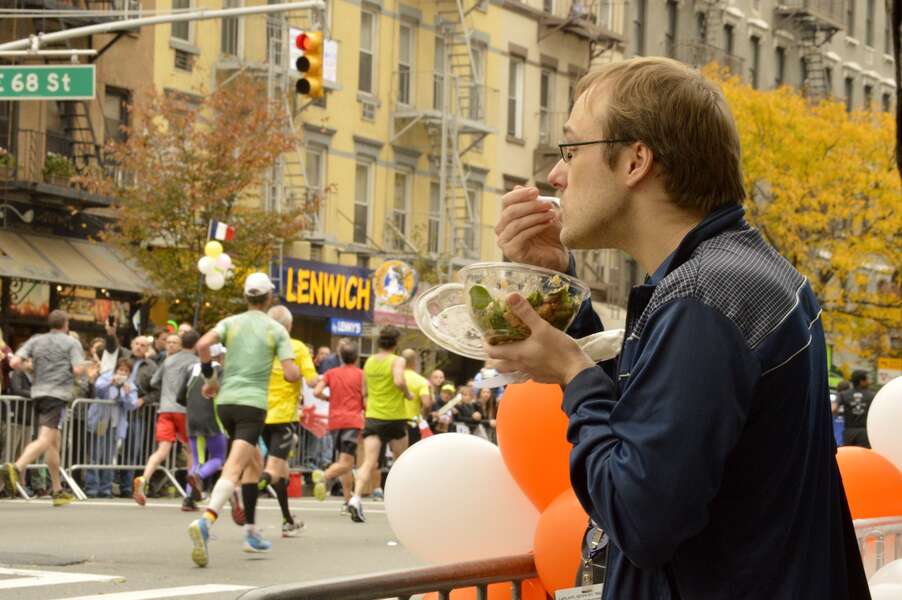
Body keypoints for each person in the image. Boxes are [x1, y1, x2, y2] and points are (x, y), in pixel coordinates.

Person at [487, 57, 867, 597]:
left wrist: (573, 373)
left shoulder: (702, 299)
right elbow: (657, 417)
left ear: (636, 160)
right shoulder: (741, 273)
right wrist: (561, 289)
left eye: (571, 149)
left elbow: (641, 517)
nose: (556, 174)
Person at [187, 272, 299, 567]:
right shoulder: (276, 330)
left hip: (225, 403)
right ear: (269, 297)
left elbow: (202, 345)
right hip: (252, 405)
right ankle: (206, 521)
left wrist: (210, 378)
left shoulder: (230, 323)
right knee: (235, 466)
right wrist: (295, 373)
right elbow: (290, 374)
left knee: (254, 464)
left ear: (246, 298)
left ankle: (250, 532)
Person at [1, 310, 84, 507]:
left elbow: (14, 362)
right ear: (66, 324)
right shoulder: (71, 342)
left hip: (37, 393)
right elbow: (78, 370)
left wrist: (31, 369)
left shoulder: (36, 340)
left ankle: (57, 490)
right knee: (45, 439)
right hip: (56, 395)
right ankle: (16, 467)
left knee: (52, 442)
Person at [257, 305, 318, 537]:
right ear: (289, 326)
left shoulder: (260, 348)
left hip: (260, 413)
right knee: (272, 469)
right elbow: (312, 381)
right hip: (283, 417)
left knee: (281, 470)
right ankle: (246, 490)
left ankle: (287, 519)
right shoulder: (297, 347)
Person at [345, 326, 411, 523]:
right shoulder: (397, 360)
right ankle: (404, 500)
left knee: (368, 461)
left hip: (374, 416)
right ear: (396, 343)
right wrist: (408, 394)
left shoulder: (370, 362)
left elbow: (364, 392)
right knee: (402, 460)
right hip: (395, 416)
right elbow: (399, 381)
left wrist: (370, 406)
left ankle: (355, 498)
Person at [133, 331, 199, 507]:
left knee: (162, 451)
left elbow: (154, 381)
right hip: (184, 410)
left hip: (165, 409)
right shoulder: (195, 362)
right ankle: (190, 494)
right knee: (191, 451)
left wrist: (168, 387)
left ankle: (143, 479)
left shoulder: (168, 361)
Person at [180, 343, 240, 520]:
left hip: (192, 417)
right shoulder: (221, 371)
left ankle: (189, 498)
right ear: (220, 357)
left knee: (198, 458)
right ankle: (198, 476)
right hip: (214, 418)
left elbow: (179, 395)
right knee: (218, 457)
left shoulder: (191, 368)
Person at [313, 339, 366, 509]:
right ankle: (322, 476)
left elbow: (316, 391)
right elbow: (365, 396)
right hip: (352, 421)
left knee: (346, 462)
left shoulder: (331, 373)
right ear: (356, 357)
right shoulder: (360, 374)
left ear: (340, 357)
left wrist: (328, 398)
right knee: (345, 463)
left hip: (335, 421)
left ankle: (346, 501)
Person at [85, 359, 140, 498]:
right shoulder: (105, 377)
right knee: (95, 455)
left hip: (115, 424)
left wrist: (126, 394)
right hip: (100, 421)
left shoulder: (130, 385)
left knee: (110, 457)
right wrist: (111, 382)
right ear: (116, 370)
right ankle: (92, 487)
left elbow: (131, 405)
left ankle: (106, 489)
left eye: (126, 371)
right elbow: (97, 389)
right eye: (120, 370)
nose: (122, 373)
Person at [833, 370, 875, 448]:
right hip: (864, 433)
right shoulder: (872, 395)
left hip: (849, 432)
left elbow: (833, 409)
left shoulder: (843, 394)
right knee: (864, 457)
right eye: (866, 379)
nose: (868, 382)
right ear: (861, 381)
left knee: (849, 456)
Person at [400, 349, 433, 445]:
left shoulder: (394, 378)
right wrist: (423, 416)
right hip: (412, 422)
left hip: (394, 420)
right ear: (415, 362)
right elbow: (426, 404)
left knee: (396, 455)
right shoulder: (421, 381)